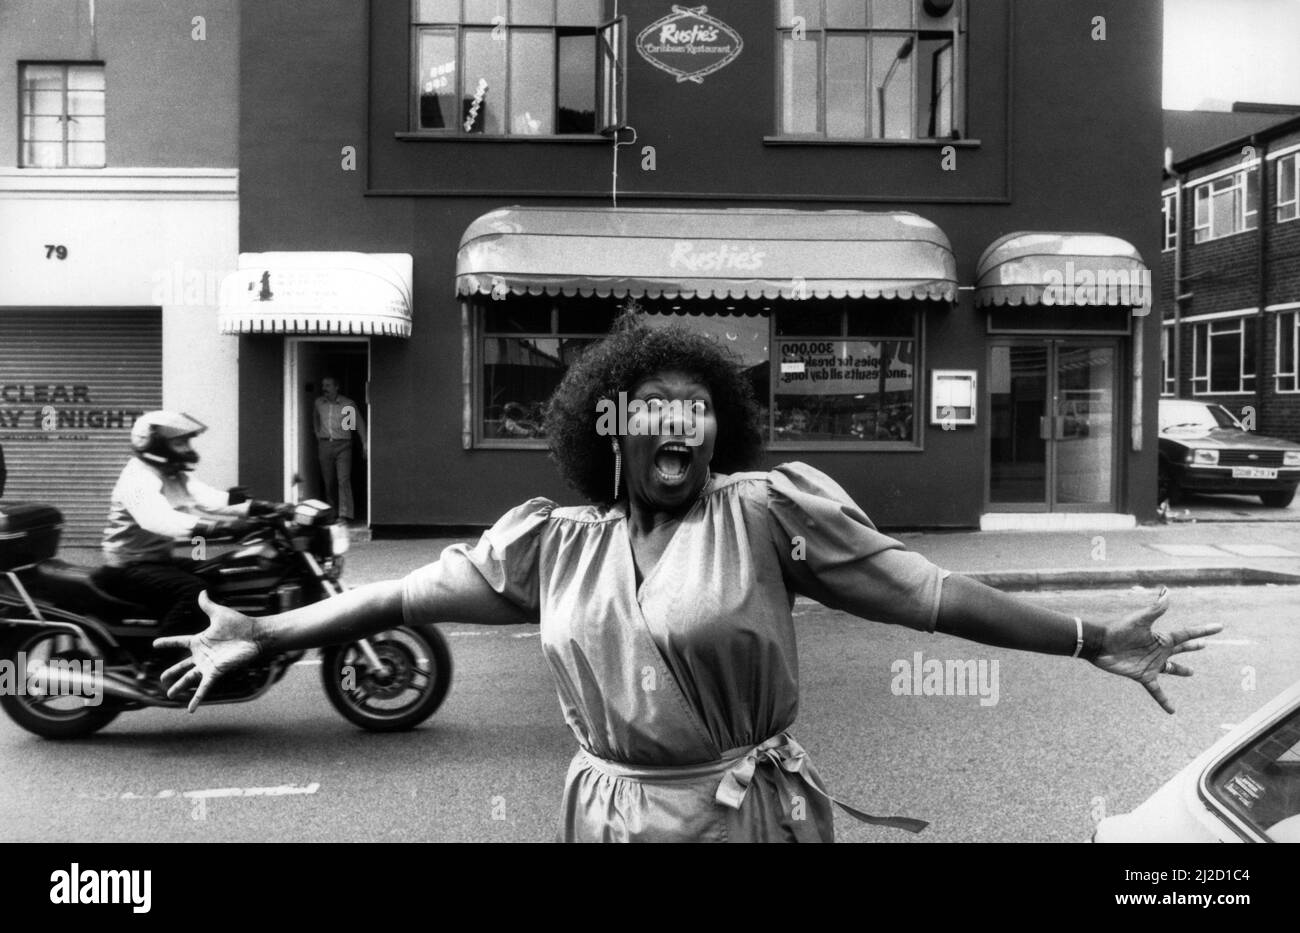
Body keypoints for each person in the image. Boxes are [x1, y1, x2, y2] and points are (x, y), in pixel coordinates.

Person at [157, 317, 1221, 843]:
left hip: (739, 815)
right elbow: (398, 598)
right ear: (608, 425)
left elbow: (931, 595)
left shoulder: (769, 516)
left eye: (698, 404)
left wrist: (1088, 638)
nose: (680, 421)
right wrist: (274, 634)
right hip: (606, 812)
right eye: (653, 404)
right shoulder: (553, 543)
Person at [100, 411, 282, 638]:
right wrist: (220, 528)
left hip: (157, 561)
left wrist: (262, 507)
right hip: (127, 568)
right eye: (179, 442)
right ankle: (162, 662)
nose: (187, 447)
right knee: (193, 592)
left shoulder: (171, 474)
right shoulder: (137, 478)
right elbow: (159, 520)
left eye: (187, 441)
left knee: (218, 574)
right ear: (154, 444)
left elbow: (208, 499)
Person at [314, 376, 367, 523]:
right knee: (329, 481)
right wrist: (318, 434)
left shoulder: (347, 404)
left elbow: (357, 425)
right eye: (323, 385)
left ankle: (344, 515)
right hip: (325, 445)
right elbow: (315, 420)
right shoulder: (319, 403)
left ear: (337, 387)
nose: (325, 388)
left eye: (328, 385)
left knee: (343, 479)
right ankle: (332, 512)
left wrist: (364, 443)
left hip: (343, 445)